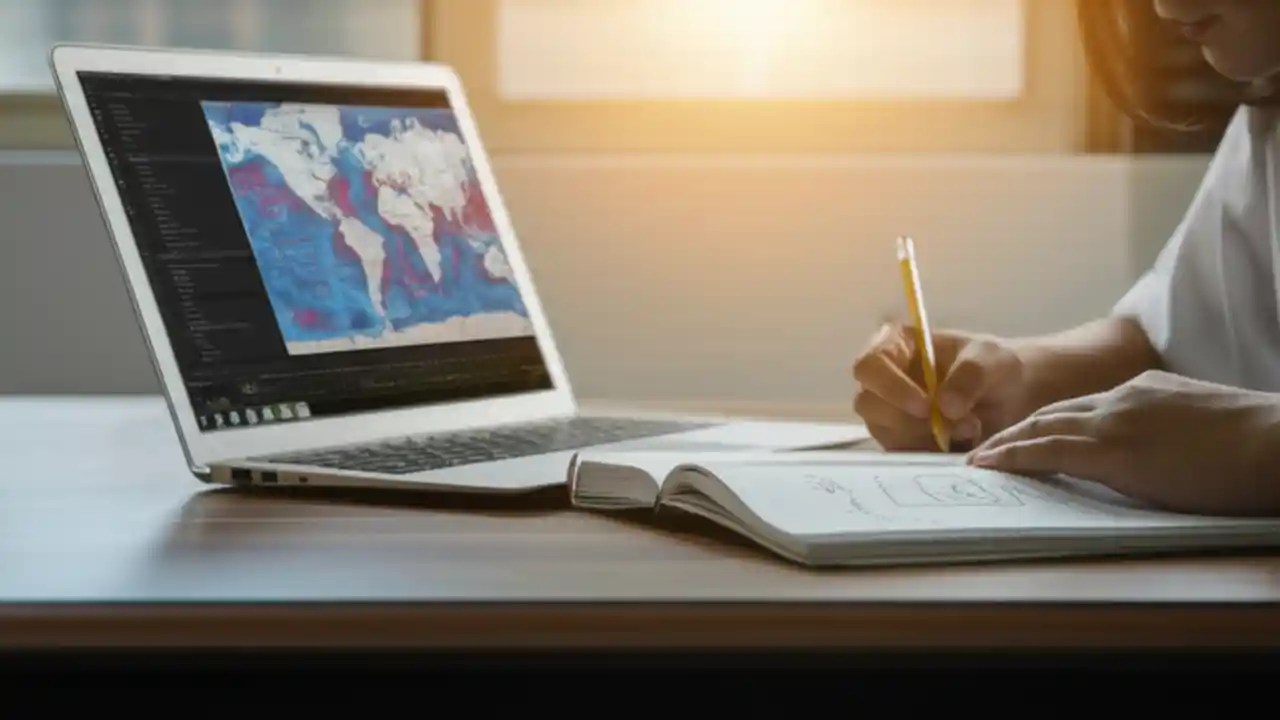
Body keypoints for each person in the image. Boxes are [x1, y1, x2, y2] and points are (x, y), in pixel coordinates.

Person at [850, 0, 1280, 516]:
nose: (1163, 6)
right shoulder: (1268, 111)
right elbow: (1183, 333)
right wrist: (1021, 379)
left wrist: (1260, 447)